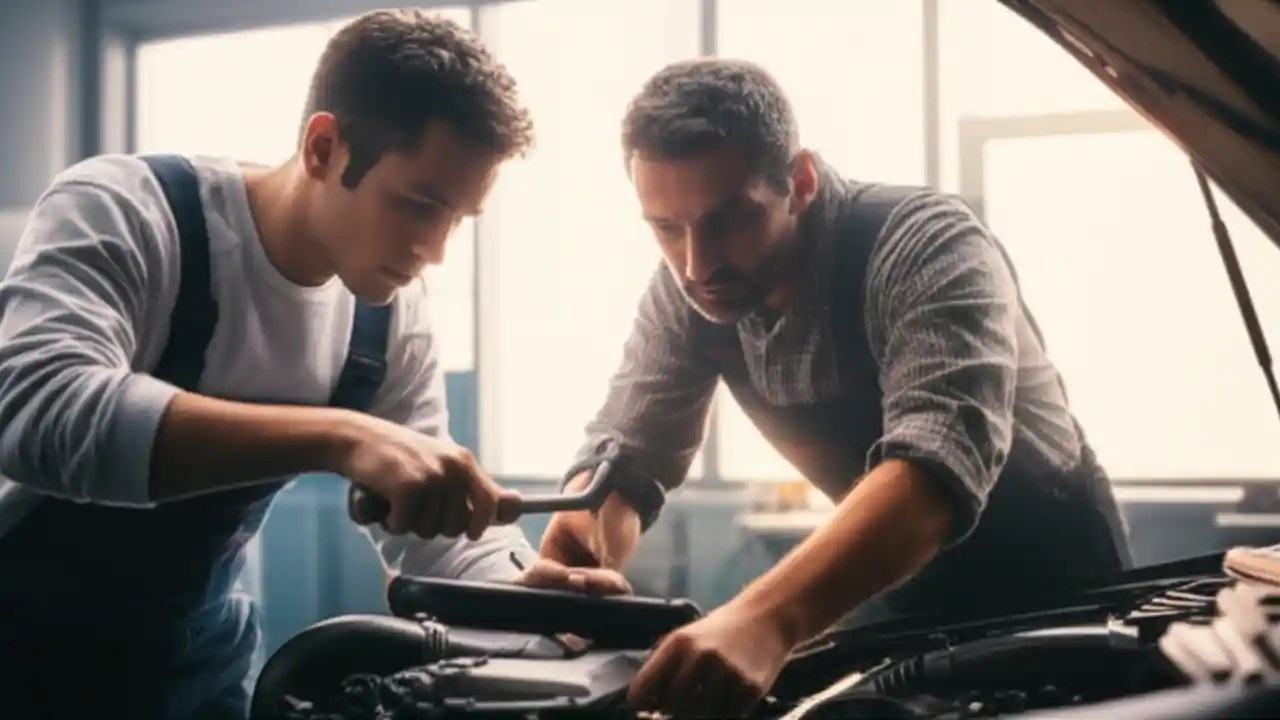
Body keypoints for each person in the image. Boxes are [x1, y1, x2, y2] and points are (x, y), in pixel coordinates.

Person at [0, 10, 626, 720]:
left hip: (198, 667)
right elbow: (36, 410)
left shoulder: (387, 318)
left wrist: (522, 596)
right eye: (419, 205)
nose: (436, 250)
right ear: (324, 146)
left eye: (457, 218)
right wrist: (342, 437)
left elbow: (432, 542)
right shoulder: (130, 210)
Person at [538, 58, 1134, 717]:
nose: (695, 263)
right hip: (893, 584)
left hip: (1060, 591)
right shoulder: (690, 291)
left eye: (728, 220)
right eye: (665, 227)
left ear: (800, 181)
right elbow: (628, 451)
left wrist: (762, 621)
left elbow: (937, 463)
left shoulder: (927, 243)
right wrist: (579, 545)